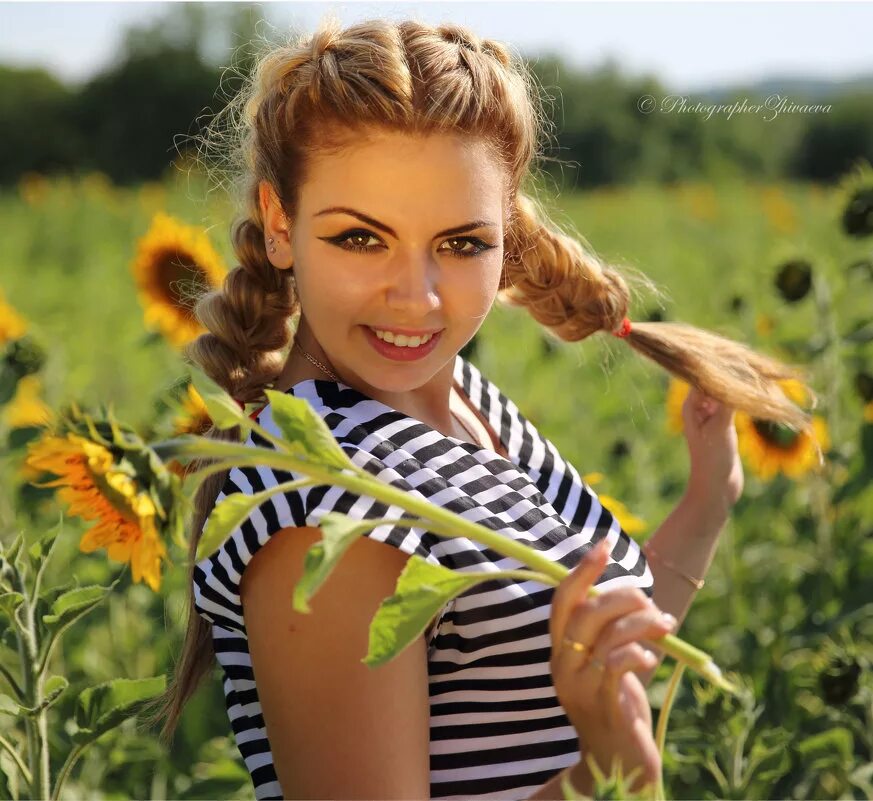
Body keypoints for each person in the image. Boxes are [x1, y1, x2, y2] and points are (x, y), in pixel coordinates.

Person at [140, 15, 813, 800]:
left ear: (505, 237)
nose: (417, 297)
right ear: (282, 225)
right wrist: (606, 775)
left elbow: (573, 663)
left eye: (460, 243)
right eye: (361, 238)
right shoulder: (320, 517)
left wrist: (705, 503)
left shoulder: (460, 401)